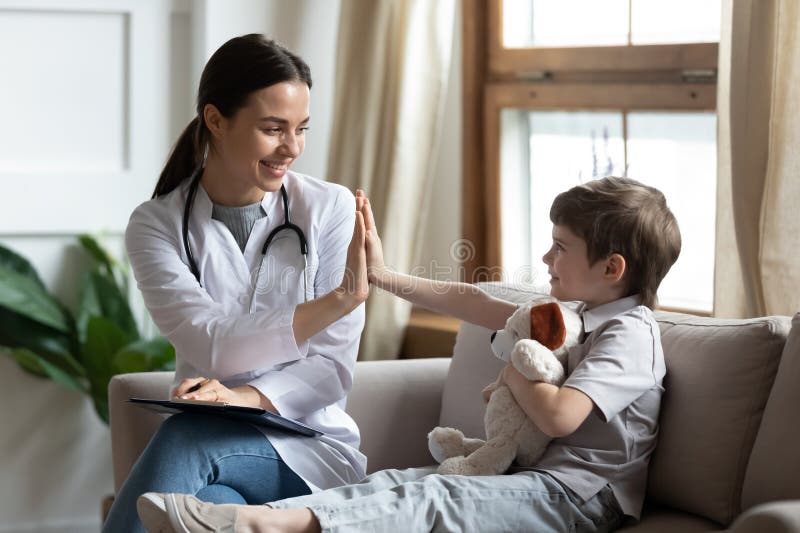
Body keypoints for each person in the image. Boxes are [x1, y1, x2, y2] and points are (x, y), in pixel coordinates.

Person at [136, 176, 682, 533]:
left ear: (613, 269)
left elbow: (559, 416)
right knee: (400, 483)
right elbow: (469, 300)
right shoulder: (567, 314)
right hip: (529, 477)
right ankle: (234, 521)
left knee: (435, 500)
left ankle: (258, 526)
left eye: (561, 247)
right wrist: (380, 275)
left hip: (581, 497)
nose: (546, 256)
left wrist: (516, 367)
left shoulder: (630, 334)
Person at [102, 34, 371, 533]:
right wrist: (339, 301)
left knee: (186, 438)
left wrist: (244, 399)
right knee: (207, 507)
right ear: (216, 121)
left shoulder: (331, 209)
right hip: (214, 450)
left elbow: (331, 368)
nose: (292, 148)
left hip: (309, 448)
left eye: (301, 129)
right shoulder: (155, 225)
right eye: (273, 129)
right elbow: (210, 343)